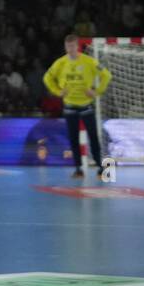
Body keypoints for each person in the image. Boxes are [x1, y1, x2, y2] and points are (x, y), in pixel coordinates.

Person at [44, 34, 112, 178]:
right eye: (68, 46)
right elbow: (47, 78)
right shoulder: (60, 63)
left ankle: (101, 168)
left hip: (86, 105)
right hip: (69, 106)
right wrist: (58, 91)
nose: (71, 49)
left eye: (73, 46)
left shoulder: (89, 61)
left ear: (78, 46)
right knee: (73, 138)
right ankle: (78, 169)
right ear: (65, 47)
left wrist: (96, 92)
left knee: (93, 137)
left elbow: (106, 75)